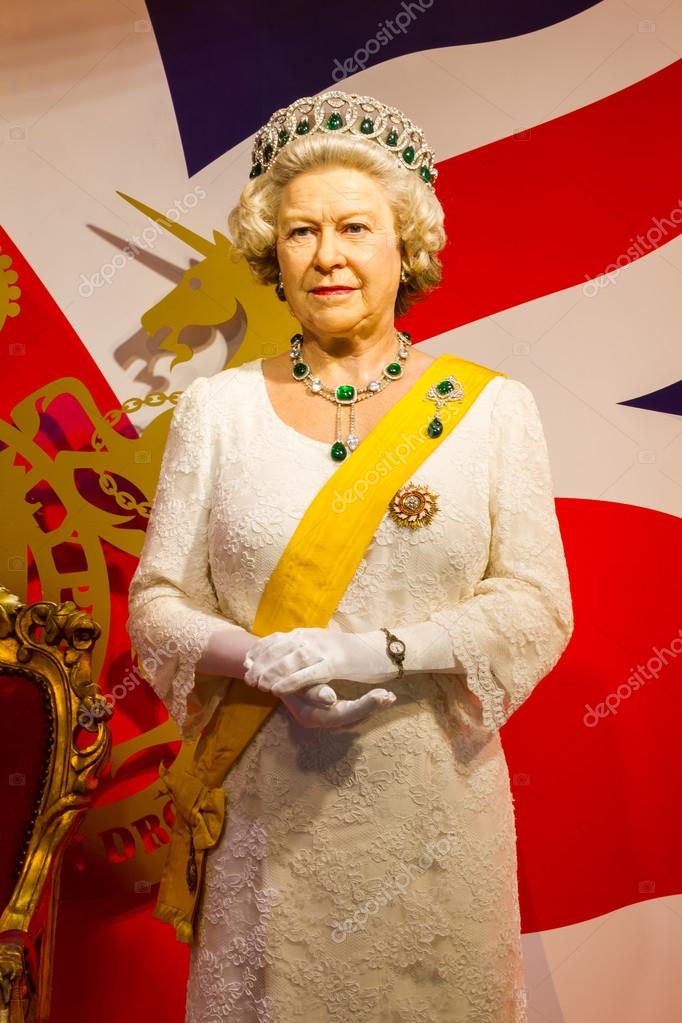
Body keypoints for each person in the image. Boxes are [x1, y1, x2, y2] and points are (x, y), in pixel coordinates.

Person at [126, 90, 574, 1023]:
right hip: (264, 821)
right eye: (299, 232)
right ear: (270, 251)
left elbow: (536, 604)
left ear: (404, 246)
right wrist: (258, 659)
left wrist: (369, 653)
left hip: (434, 823)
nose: (326, 255)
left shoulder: (492, 411)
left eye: (355, 228)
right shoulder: (216, 413)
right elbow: (158, 602)